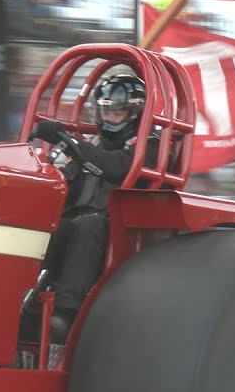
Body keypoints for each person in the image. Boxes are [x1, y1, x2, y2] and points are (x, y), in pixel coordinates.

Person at [31, 73, 150, 342]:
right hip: (83, 224)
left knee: (87, 225)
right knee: (53, 224)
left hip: (120, 232)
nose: (109, 118)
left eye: (116, 111)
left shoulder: (148, 147)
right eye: (105, 111)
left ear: (134, 112)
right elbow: (70, 188)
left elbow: (115, 168)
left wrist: (69, 142)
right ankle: (25, 297)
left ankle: (65, 311)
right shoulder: (94, 147)